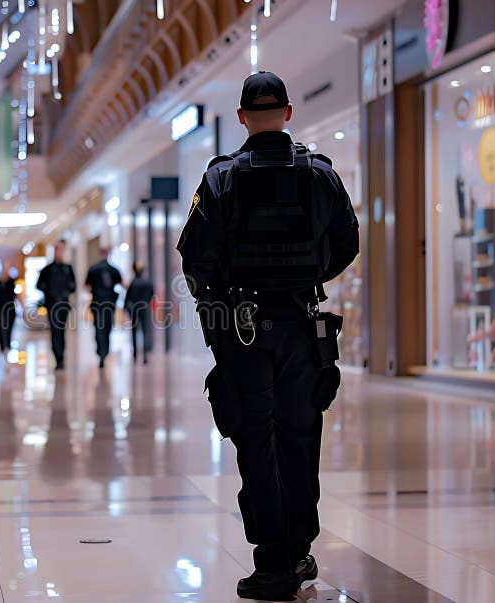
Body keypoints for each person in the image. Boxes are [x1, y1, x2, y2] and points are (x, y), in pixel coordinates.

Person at [177, 71, 359, 601]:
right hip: (304, 329)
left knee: (256, 443)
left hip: (245, 331)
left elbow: (195, 260)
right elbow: (347, 245)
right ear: (288, 112)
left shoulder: (221, 180)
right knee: (301, 440)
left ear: (240, 118)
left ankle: (272, 563)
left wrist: (221, 329)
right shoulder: (320, 176)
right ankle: (298, 552)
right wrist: (305, 283)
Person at [36, 240, 76, 370]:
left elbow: (73, 286)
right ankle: (58, 356)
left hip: (63, 305)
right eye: (57, 249)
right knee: (55, 331)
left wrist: (64, 293)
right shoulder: (47, 270)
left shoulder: (67, 268)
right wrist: (50, 292)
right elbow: (39, 285)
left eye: (61, 249)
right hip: (52, 305)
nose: (59, 252)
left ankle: (61, 356)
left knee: (62, 330)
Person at [85, 248, 123, 368]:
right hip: (109, 304)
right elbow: (122, 284)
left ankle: (101, 352)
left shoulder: (93, 269)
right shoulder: (113, 270)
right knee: (106, 328)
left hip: (98, 303)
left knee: (99, 328)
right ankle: (104, 352)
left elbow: (86, 286)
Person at [124, 262, 154, 364]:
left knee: (134, 331)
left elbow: (127, 299)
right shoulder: (147, 282)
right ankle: (145, 355)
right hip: (145, 307)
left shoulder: (133, 283)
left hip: (134, 308)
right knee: (145, 332)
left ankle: (135, 355)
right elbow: (152, 295)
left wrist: (127, 309)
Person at [0, 265, 17, 354]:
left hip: (10, 310)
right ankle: (3, 349)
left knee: (9, 330)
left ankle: (7, 348)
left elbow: (16, 295)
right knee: (1, 330)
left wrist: (24, 308)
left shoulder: (11, 282)